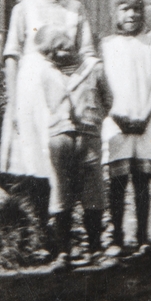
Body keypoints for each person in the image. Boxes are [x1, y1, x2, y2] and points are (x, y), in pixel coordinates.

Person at [0, 0, 97, 232]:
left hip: (66, 96)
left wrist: (82, 90)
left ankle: (65, 233)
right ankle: (43, 234)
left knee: (65, 162)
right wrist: (13, 102)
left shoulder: (75, 8)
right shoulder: (23, 9)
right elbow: (11, 57)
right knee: (36, 163)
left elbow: (88, 52)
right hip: (31, 96)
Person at [100, 0, 151, 257]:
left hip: (144, 121)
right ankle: (116, 237)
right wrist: (114, 114)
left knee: (142, 181)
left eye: (137, 9)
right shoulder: (107, 46)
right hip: (117, 121)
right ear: (114, 12)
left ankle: (142, 237)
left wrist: (145, 114)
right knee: (117, 183)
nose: (131, 14)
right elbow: (103, 84)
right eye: (125, 8)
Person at [36, 24, 111, 271]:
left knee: (93, 190)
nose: (56, 55)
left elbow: (108, 100)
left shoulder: (94, 68)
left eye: (59, 47)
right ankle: (63, 252)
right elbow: (50, 104)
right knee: (61, 192)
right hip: (60, 138)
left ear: (69, 40)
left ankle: (95, 248)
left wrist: (93, 119)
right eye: (48, 53)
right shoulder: (48, 74)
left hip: (89, 135)